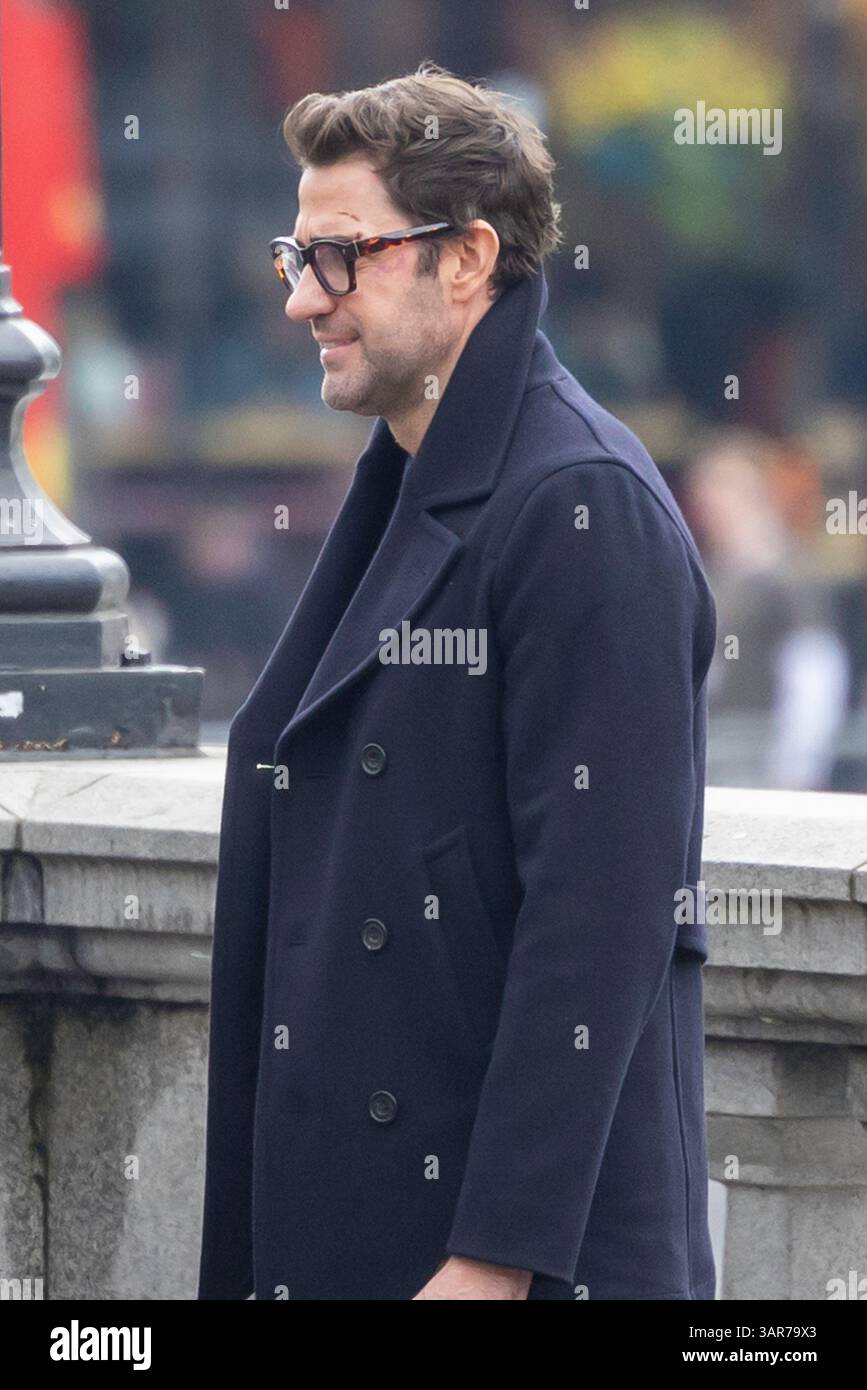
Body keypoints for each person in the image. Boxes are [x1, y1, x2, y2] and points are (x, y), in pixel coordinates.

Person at [197, 61, 718, 1302]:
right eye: (293, 257)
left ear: (468, 257)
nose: (300, 301)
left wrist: (492, 1261)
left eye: (341, 257)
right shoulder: (417, 470)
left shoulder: (581, 503)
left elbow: (601, 921)